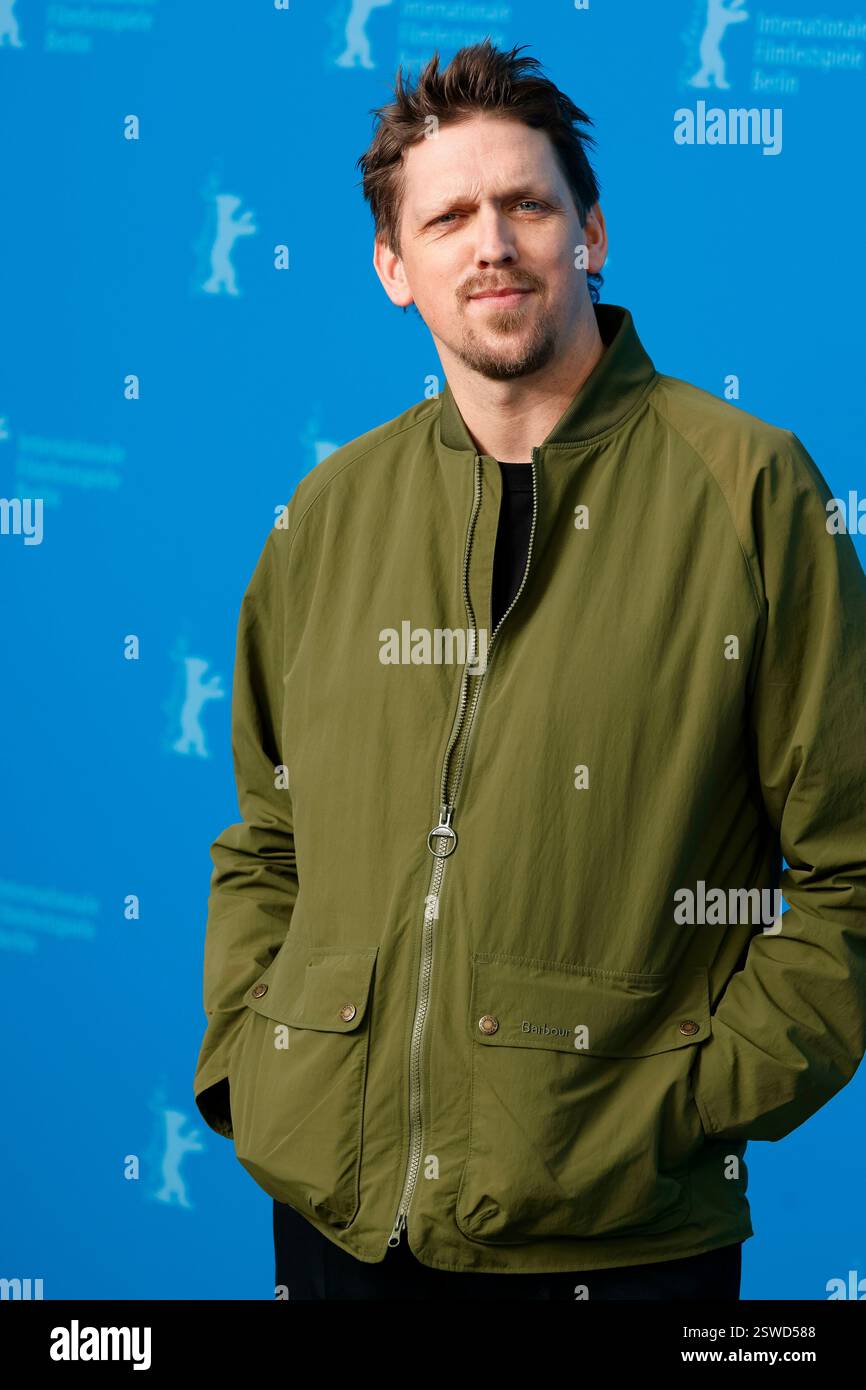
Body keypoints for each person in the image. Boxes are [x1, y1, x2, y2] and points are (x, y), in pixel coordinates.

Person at [192, 40, 866, 1301]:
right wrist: (254, 1061)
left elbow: (852, 868)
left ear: (589, 231)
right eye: (446, 215)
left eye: (526, 204)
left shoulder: (749, 488)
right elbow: (266, 837)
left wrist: (680, 1107)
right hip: (333, 1223)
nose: (489, 241)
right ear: (395, 267)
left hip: (614, 1236)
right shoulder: (327, 512)